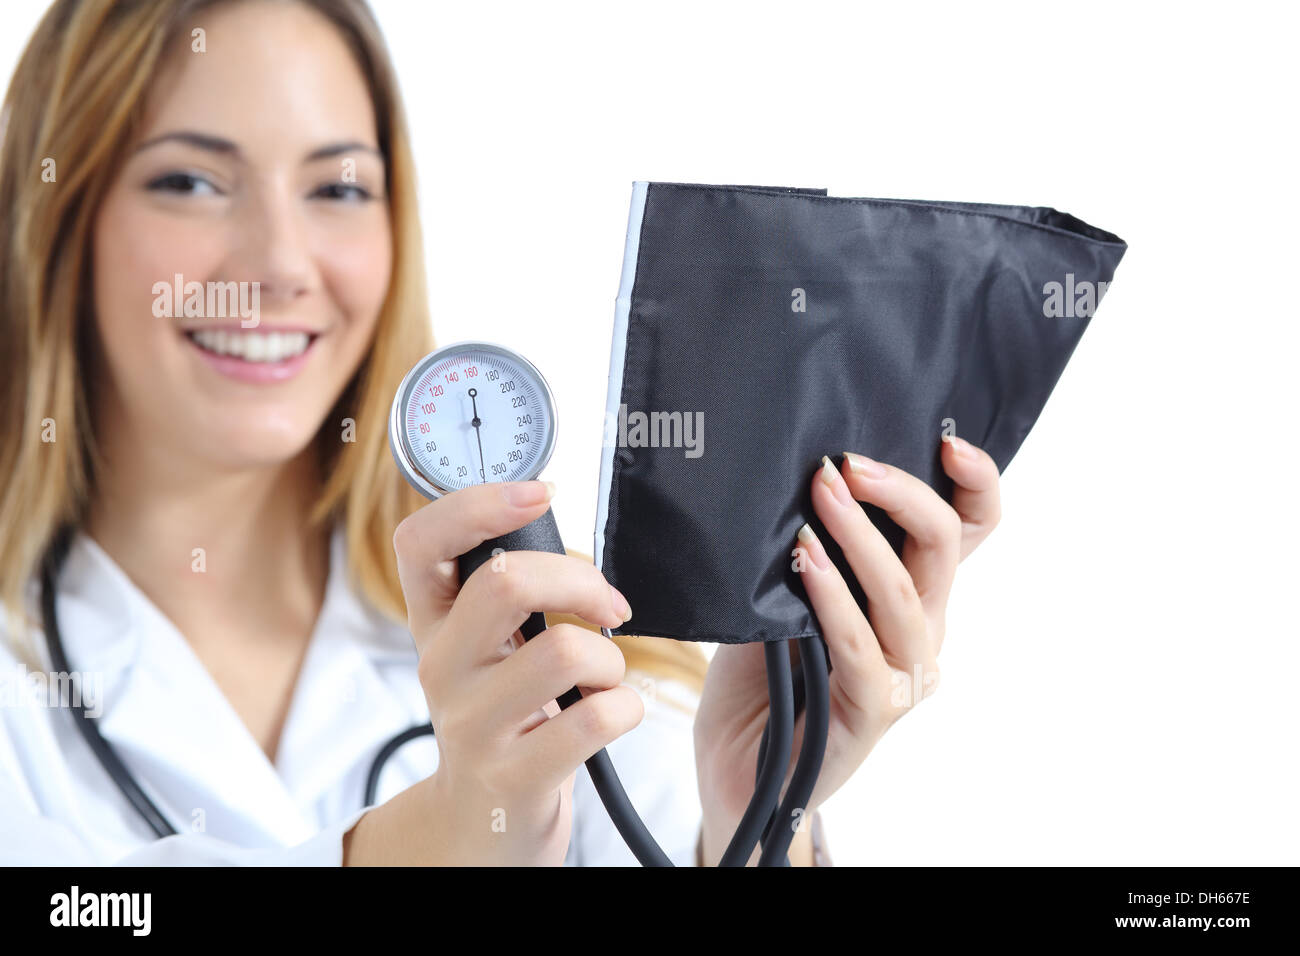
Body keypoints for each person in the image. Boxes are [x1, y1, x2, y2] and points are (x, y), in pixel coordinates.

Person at [0, 0, 1002, 866]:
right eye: (191, 181)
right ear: (58, 216)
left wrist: (760, 823)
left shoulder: (586, 656)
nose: (278, 262)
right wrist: (433, 840)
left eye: (338, 186)